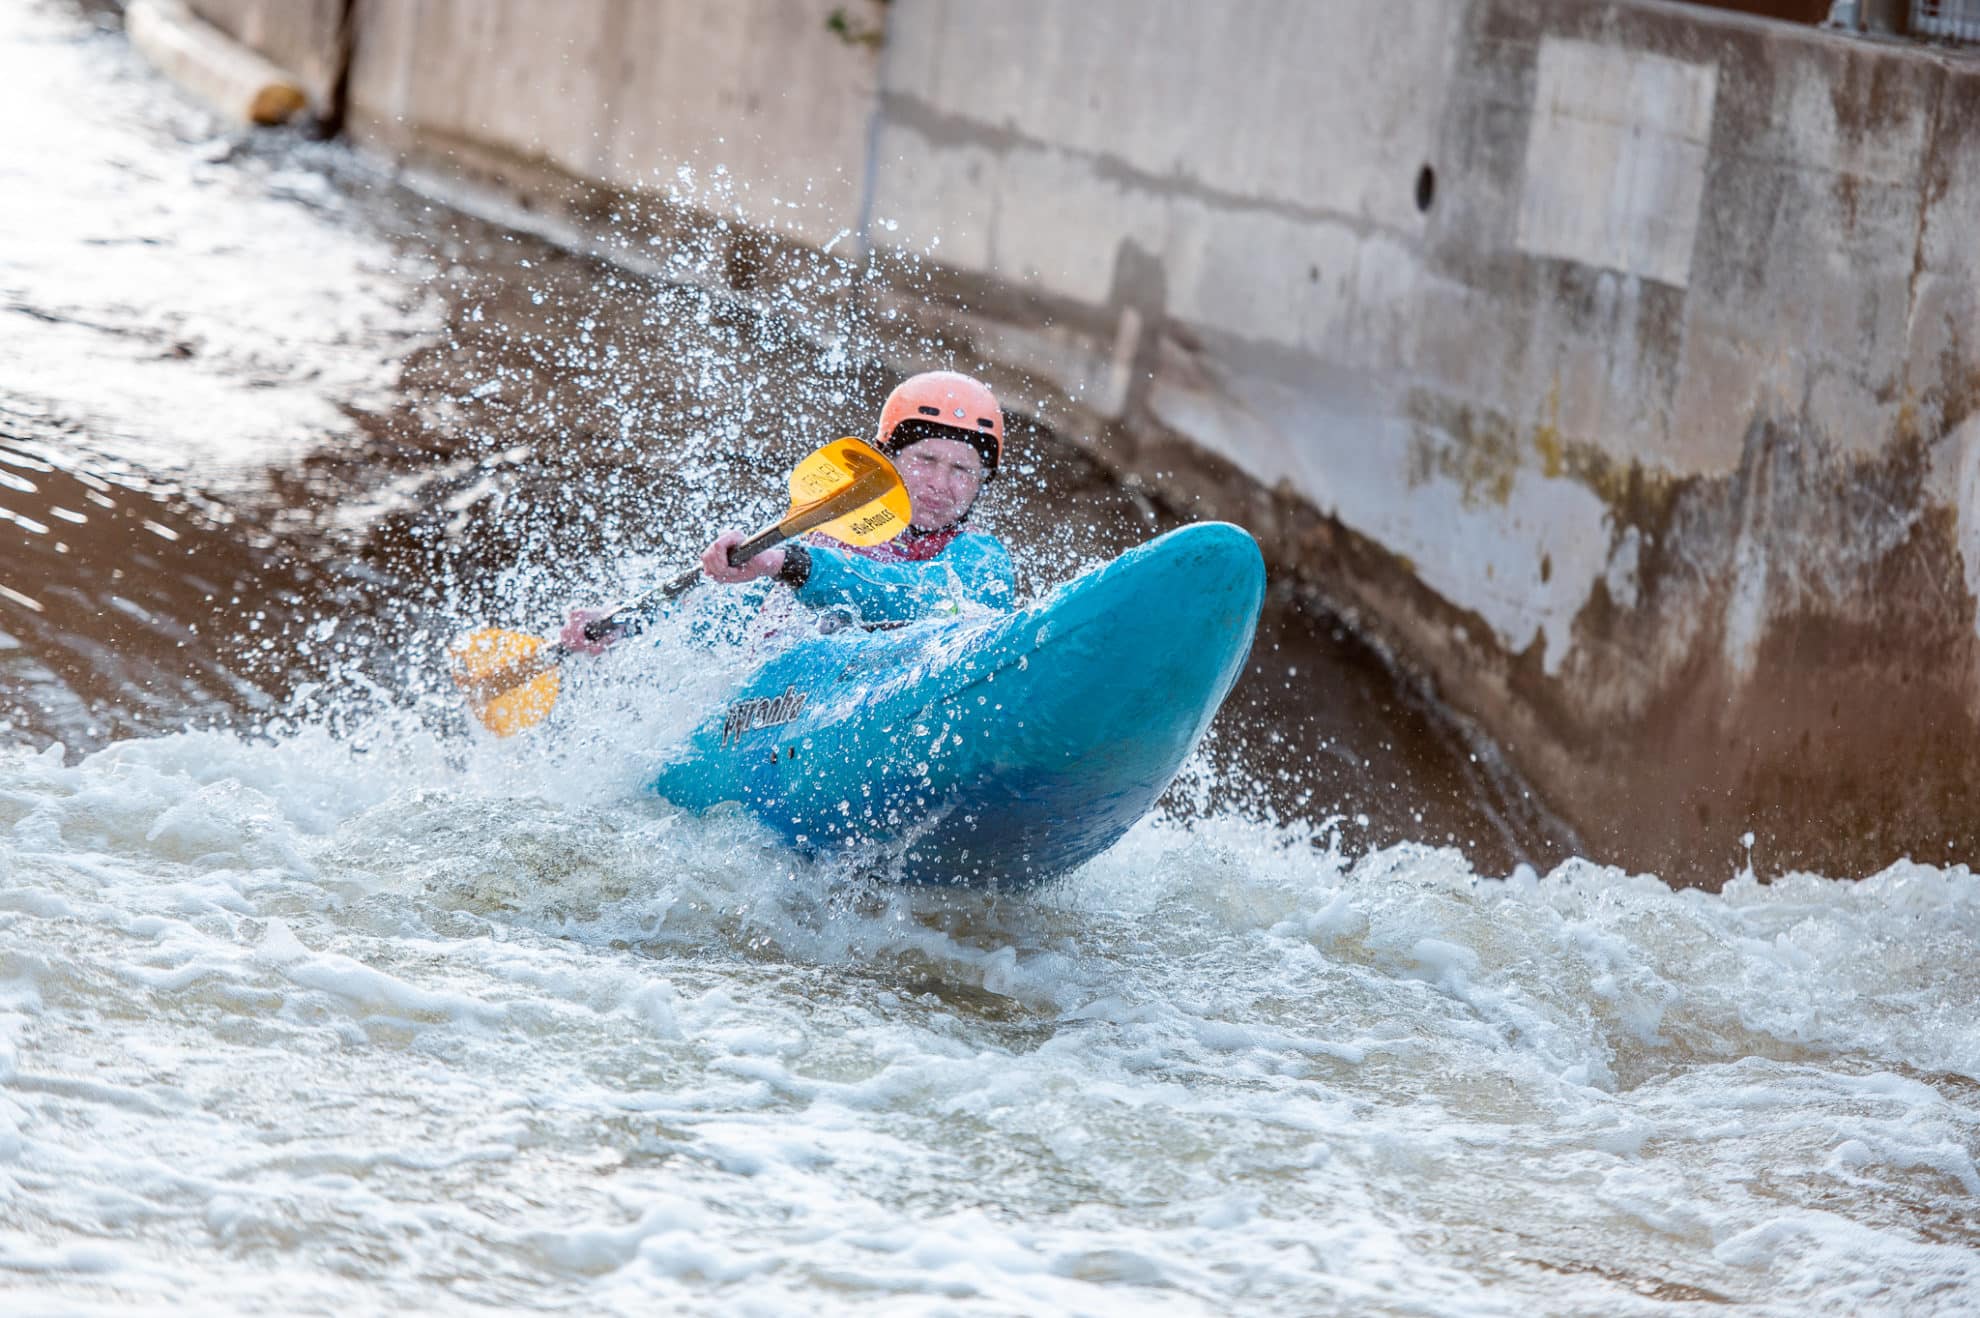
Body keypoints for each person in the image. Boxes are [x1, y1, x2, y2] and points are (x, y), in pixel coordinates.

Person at [561, 371, 1015, 653]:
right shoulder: (827, 539)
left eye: (963, 470)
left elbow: (925, 596)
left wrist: (789, 563)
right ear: (886, 462)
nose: (940, 484)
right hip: (784, 706)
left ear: (981, 484)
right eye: (926, 460)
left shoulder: (983, 559)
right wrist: (629, 627)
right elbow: (724, 618)